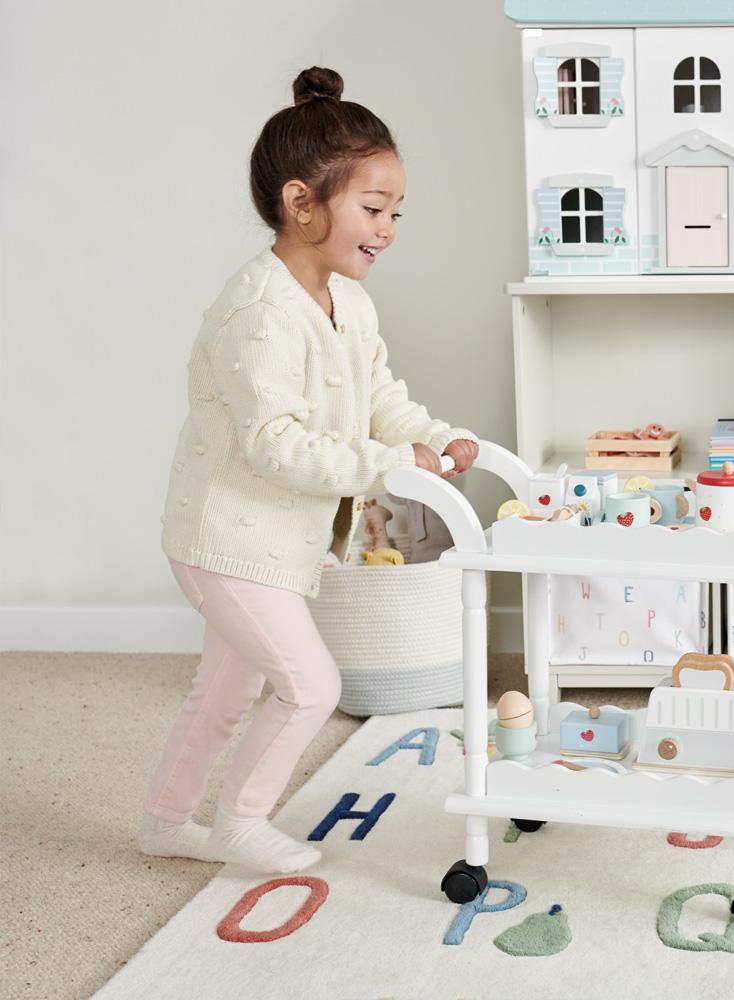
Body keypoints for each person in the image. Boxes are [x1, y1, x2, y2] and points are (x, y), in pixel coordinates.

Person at [138, 66, 478, 874]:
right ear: (302, 205)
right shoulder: (259, 312)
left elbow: (378, 398)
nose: (389, 227)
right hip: (223, 537)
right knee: (310, 686)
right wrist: (392, 464)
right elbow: (275, 443)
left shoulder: (347, 300)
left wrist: (436, 438)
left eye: (396, 212)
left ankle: (164, 819)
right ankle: (242, 821)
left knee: (225, 692)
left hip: (272, 543)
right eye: (372, 208)